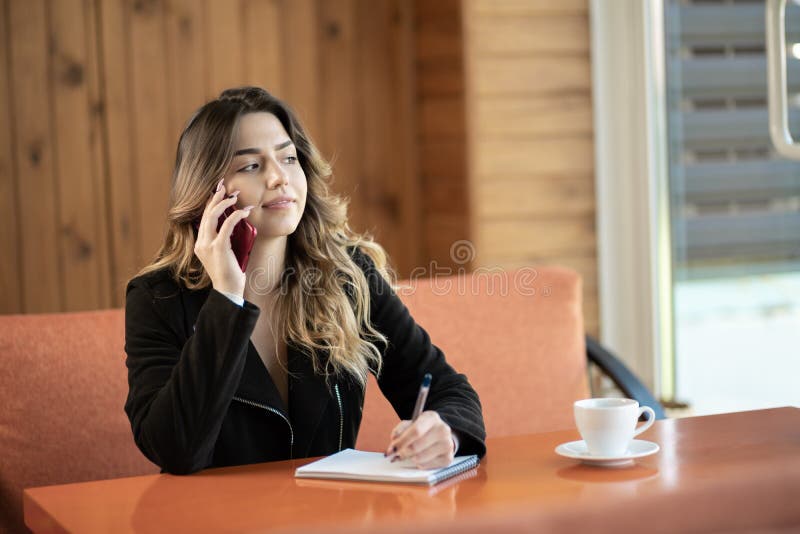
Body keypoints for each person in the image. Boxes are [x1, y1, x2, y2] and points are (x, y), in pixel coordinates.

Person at [123, 86, 486, 475]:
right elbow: (176, 449)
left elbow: (451, 392)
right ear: (207, 190)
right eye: (251, 166)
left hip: (329, 517)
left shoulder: (347, 274)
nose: (279, 178)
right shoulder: (158, 298)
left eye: (289, 158)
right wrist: (226, 297)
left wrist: (444, 432)